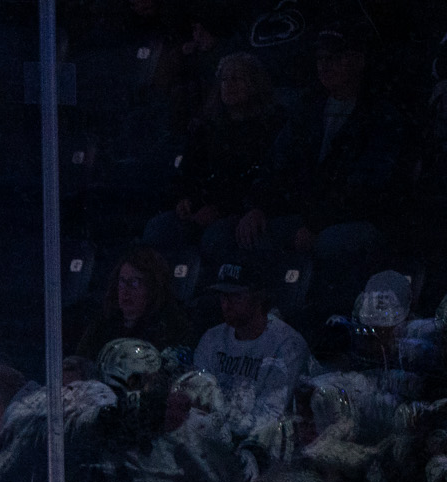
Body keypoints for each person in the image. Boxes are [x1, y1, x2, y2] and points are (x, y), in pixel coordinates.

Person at [234, 26, 403, 323]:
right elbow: (277, 161)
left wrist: (317, 222)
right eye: (321, 58)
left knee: (331, 243)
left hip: (355, 219)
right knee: (252, 234)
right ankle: (267, 318)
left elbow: (368, 186)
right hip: (305, 215)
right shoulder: (308, 109)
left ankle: (327, 319)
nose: (325, 65)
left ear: (357, 61)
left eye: (335, 58)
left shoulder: (379, 114)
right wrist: (257, 205)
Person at [141, 51, 285, 256]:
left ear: (254, 83)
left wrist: (221, 209)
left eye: (236, 78)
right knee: (159, 228)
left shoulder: (271, 127)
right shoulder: (206, 128)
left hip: (243, 210)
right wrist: (185, 199)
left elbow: (262, 178)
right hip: (201, 207)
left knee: (217, 236)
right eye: (224, 79)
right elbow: (188, 171)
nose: (229, 84)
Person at [192, 257, 314, 427]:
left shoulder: (287, 345)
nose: (226, 305)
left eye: (236, 296)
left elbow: (271, 418)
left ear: (259, 297)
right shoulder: (212, 339)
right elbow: (196, 399)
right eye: (223, 296)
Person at [75, 246, 195, 360]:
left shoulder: (171, 330)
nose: (125, 290)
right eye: (122, 281)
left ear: (153, 287)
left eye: (134, 283)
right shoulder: (102, 325)